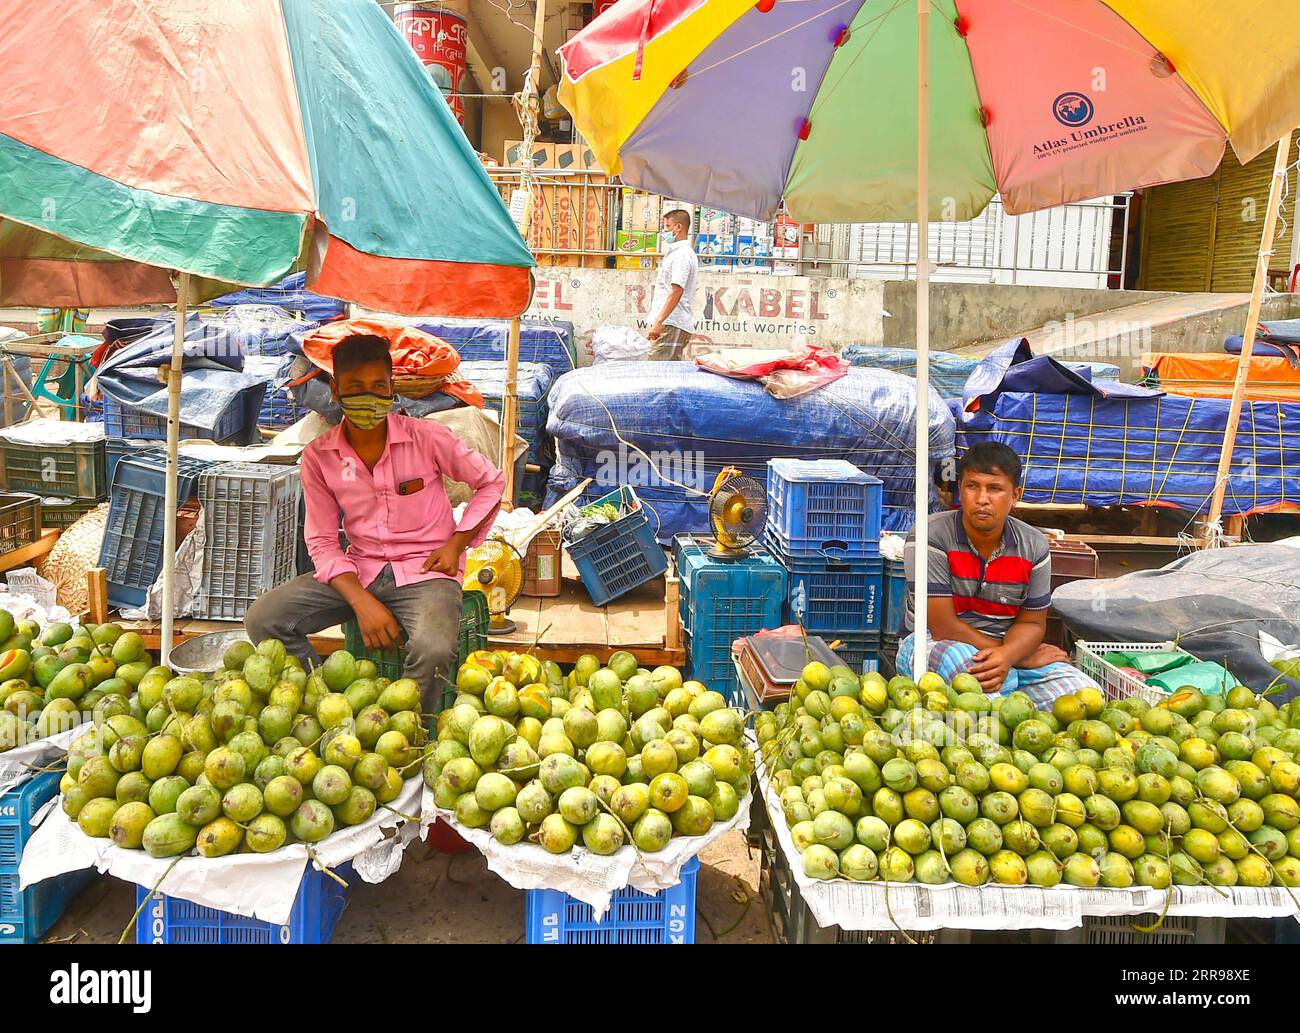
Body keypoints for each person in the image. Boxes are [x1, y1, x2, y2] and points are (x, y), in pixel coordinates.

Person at [245, 333, 505, 715]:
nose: (370, 398)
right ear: (336, 391)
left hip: (426, 571)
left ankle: (409, 734)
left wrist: (456, 544)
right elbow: (321, 541)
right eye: (356, 388)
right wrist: (360, 601)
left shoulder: (428, 439)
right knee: (264, 620)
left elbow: (491, 482)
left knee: (433, 650)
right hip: (359, 569)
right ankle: (324, 706)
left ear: (391, 389)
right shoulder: (320, 457)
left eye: (378, 387)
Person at [897, 442, 1099, 705]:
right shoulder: (929, 534)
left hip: (1003, 654)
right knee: (974, 675)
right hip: (931, 644)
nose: (982, 499)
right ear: (961, 489)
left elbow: (1031, 624)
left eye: (994, 489)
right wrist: (1017, 656)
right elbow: (942, 625)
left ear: (1015, 495)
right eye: (972, 486)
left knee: (1085, 694)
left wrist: (1008, 656)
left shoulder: (1034, 545)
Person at [644, 207, 699, 360]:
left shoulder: (682, 255)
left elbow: (676, 290)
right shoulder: (678, 253)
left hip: (672, 323)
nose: (664, 231)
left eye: (667, 226)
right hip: (669, 323)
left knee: (659, 375)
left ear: (678, 227)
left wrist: (660, 321)